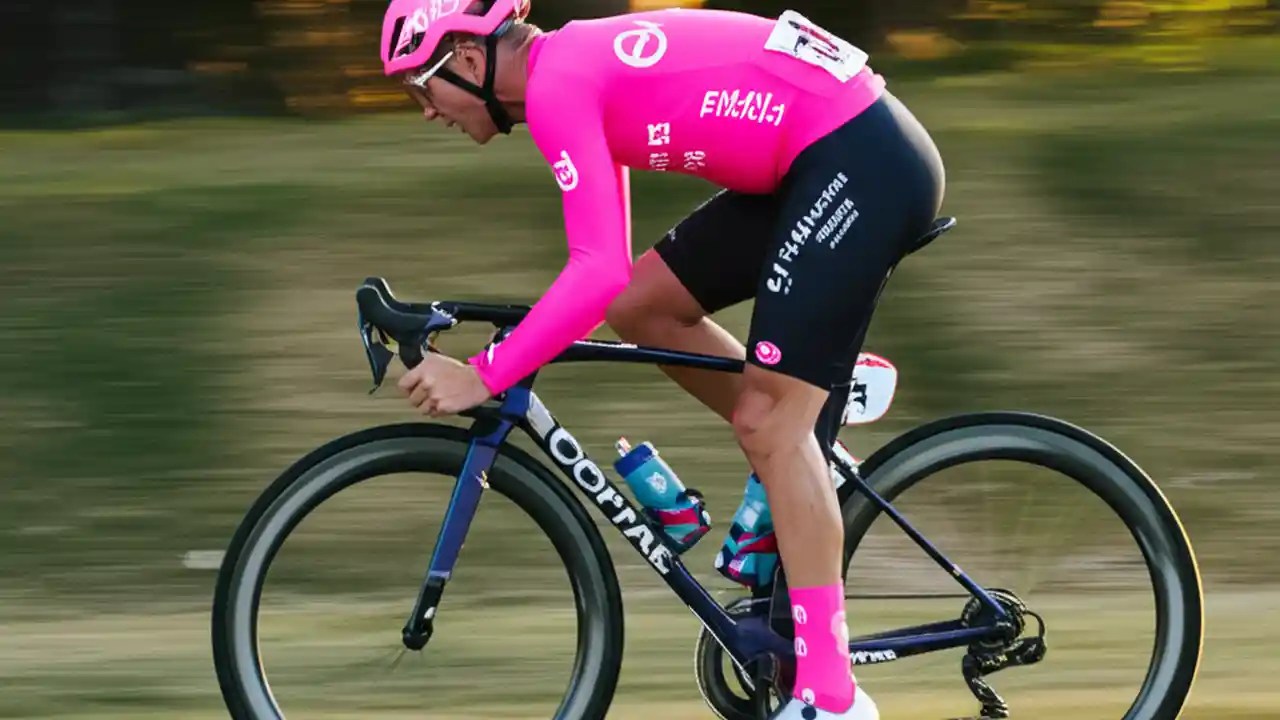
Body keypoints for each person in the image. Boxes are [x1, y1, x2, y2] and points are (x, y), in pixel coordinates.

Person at [383, 2, 945, 718]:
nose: (428, 111)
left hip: (858, 159)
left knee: (769, 425)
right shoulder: (568, 71)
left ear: (467, 59)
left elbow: (592, 272)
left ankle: (831, 699)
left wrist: (485, 373)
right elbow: (610, 274)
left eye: (422, 87)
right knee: (642, 309)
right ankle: (808, 436)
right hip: (829, 152)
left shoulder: (558, 84)